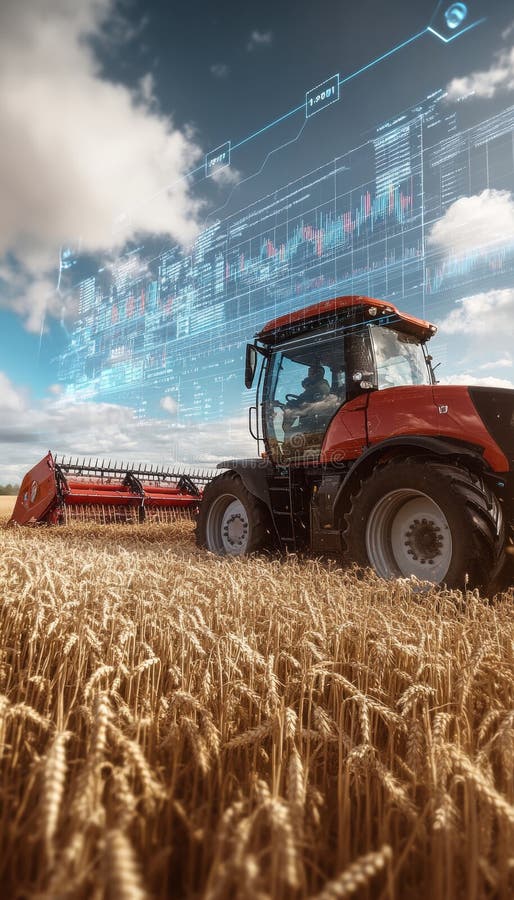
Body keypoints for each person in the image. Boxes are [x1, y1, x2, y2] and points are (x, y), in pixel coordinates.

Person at [282, 365, 331, 433]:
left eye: (310, 373)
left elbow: (306, 403)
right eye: (309, 373)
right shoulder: (314, 389)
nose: (308, 376)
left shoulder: (320, 387)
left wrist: (293, 406)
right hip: (311, 423)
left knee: (290, 433)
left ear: (317, 374)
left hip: (315, 425)